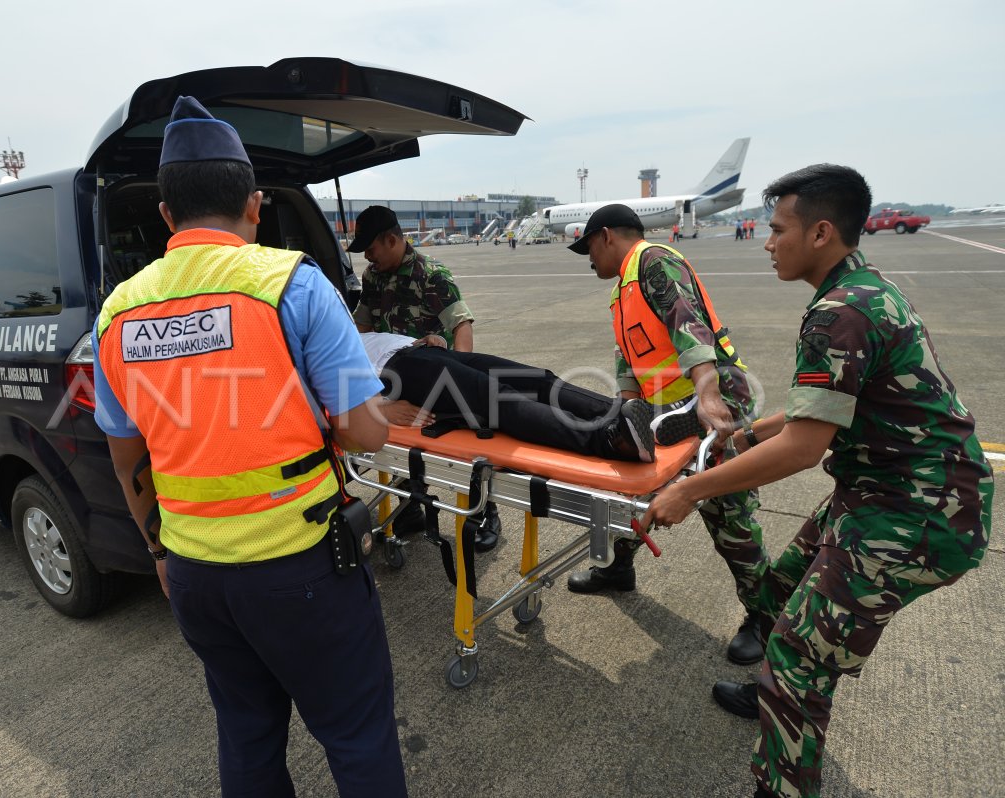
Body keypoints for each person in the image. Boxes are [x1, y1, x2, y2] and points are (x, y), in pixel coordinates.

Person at [643, 164, 993, 798]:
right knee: (781, 592)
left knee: (799, 656)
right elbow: (818, 408)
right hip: (886, 492)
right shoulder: (863, 288)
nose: (768, 241)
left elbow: (804, 447)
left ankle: (780, 781)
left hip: (916, 513)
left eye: (778, 229)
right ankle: (776, 702)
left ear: (821, 232)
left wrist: (688, 490)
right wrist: (744, 436)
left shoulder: (839, 313)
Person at [93, 96, 407, 797]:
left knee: (246, 733)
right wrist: (369, 416)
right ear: (256, 205)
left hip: (195, 573)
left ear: (167, 215)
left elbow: (124, 455)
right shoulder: (291, 284)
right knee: (355, 737)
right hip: (299, 567)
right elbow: (364, 432)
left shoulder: (115, 315)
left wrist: (158, 551)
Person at [564, 203, 770, 667]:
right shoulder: (622, 291)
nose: (589, 258)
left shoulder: (652, 261)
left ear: (607, 237)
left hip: (710, 399)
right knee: (635, 489)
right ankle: (619, 568)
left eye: (588, 248)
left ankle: (764, 615)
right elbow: (628, 356)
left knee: (725, 509)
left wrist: (708, 393)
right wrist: (626, 407)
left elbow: (688, 322)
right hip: (665, 407)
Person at [348, 205, 502, 551]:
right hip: (395, 375)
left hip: (437, 377)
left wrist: (462, 382)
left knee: (465, 452)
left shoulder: (431, 273)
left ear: (392, 239)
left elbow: (461, 325)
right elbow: (363, 326)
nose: (368, 258)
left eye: (371, 249)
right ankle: (411, 506)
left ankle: (484, 513)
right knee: (403, 449)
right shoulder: (373, 276)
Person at [363, 331, 656, 461]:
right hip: (397, 372)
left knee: (539, 380)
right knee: (500, 399)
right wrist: (380, 410)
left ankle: (630, 417)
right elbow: (317, 396)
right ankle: (611, 441)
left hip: (420, 351)